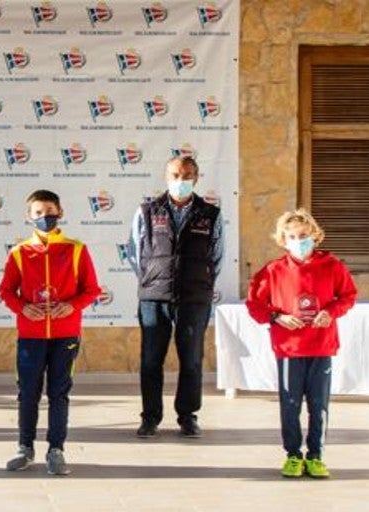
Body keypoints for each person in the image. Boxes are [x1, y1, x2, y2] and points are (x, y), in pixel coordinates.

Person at [246, 209, 357, 478]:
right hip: (289, 349)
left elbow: (348, 296)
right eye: (293, 236)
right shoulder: (273, 271)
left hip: (321, 346)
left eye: (304, 236)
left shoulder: (333, 267)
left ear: (315, 237)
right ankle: (293, 455)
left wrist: (330, 312)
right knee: (290, 402)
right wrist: (277, 317)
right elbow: (255, 304)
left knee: (318, 404)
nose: (299, 241)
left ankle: (316, 455)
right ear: (283, 240)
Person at [0, 189, 101, 476]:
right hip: (30, 336)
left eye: (50, 211)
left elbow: (92, 290)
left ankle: (56, 449)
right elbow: (6, 291)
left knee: (59, 392)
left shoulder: (76, 249)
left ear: (61, 212)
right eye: (39, 213)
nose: (45, 217)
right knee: (28, 392)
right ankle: (25, 448)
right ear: (29, 217)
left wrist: (71, 306)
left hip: (65, 335)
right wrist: (22, 308)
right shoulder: (19, 252)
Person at [129, 155, 224, 438]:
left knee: (192, 359)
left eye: (187, 175)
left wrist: (201, 282)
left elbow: (217, 256)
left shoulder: (210, 214)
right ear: (166, 175)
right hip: (154, 297)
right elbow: (135, 251)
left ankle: (188, 416)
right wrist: (152, 279)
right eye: (175, 175)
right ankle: (150, 417)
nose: (181, 181)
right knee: (150, 360)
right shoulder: (148, 210)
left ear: (196, 177)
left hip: (194, 298)